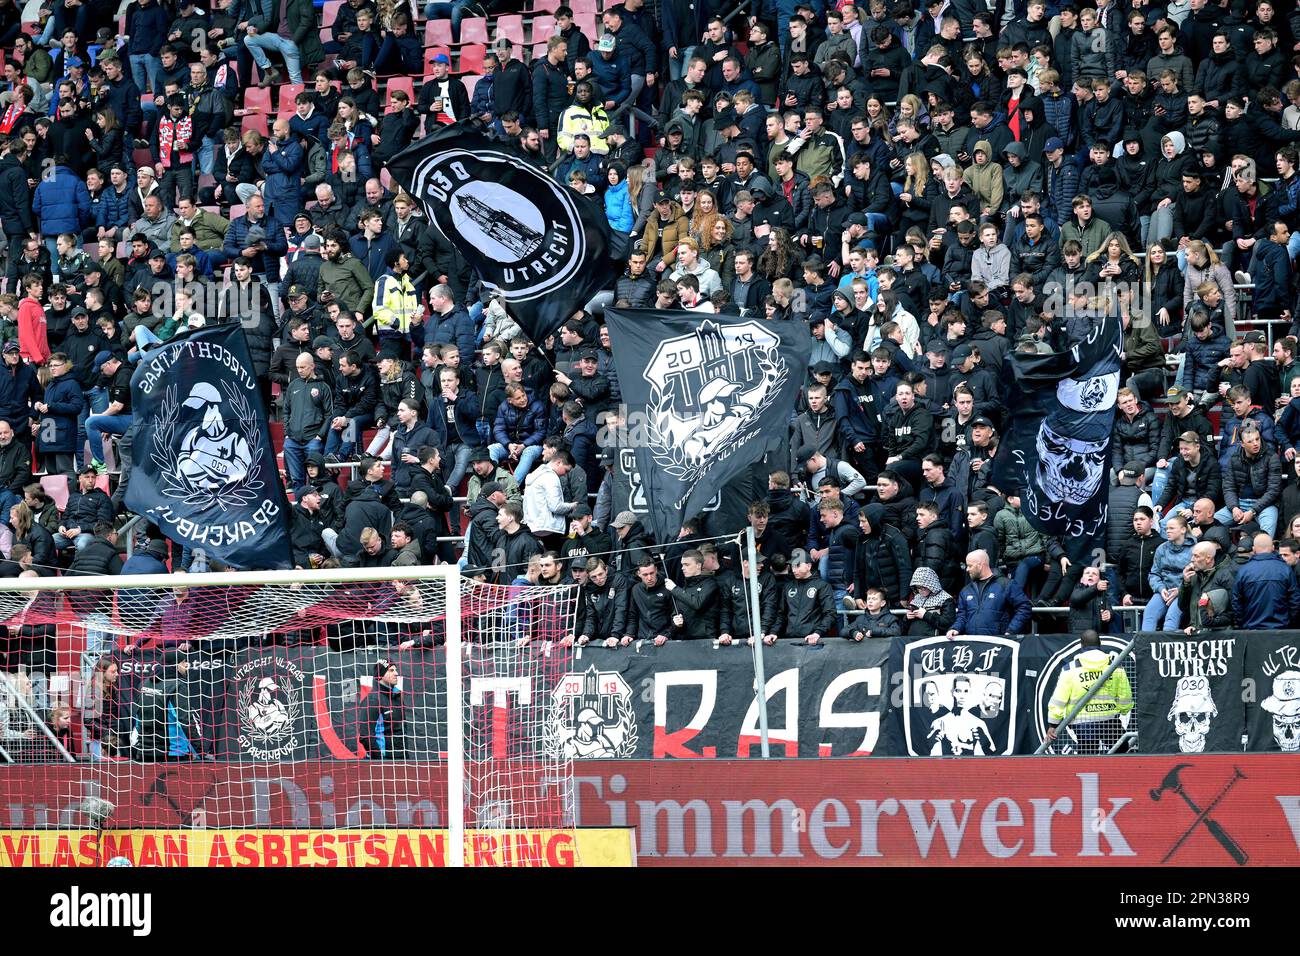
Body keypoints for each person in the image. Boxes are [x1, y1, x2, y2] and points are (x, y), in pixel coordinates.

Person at [1044, 629, 1133, 754]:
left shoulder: (1070, 669)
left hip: (1082, 724)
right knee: (1122, 754)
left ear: (1081, 645)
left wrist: (1053, 725)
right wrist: (1123, 709)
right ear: (1099, 645)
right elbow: (1125, 696)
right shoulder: (1115, 666)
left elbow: (1059, 700)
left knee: (1087, 759)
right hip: (1110, 721)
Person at [947, 549, 1032, 637]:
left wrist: (1011, 631)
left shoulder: (1006, 585)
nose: (967, 569)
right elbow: (962, 616)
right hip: (972, 645)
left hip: (999, 645)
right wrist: (955, 628)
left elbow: (1024, 607)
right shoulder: (966, 590)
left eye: (970, 566)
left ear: (980, 565)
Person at [1232, 533, 1300, 630]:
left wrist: (1241, 625)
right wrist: (1291, 625)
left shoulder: (1243, 571)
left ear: (1253, 549)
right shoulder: (1286, 569)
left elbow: (1236, 602)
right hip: (1281, 629)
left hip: (1251, 629)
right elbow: (1295, 601)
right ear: (1273, 547)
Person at [358, 658, 405, 759]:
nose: (396, 673)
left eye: (396, 670)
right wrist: (379, 759)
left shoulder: (397, 696)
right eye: (391, 670)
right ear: (381, 675)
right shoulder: (373, 700)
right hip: (383, 760)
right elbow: (365, 736)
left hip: (401, 758)